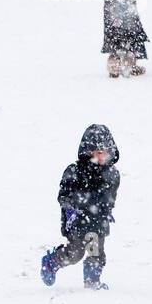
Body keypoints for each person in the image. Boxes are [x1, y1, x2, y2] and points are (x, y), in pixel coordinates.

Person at [39, 124, 120, 290]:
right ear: (88, 152)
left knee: (95, 251)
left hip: (97, 220)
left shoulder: (111, 174)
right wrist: (69, 209)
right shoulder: (75, 172)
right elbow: (64, 194)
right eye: (98, 153)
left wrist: (107, 209)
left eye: (105, 153)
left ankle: (92, 282)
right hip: (77, 219)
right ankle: (53, 262)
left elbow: (110, 196)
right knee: (75, 253)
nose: (102, 157)